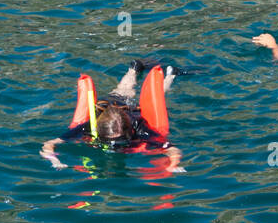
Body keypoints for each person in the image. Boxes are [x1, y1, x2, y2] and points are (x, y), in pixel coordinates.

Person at [40, 61, 182, 172]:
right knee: (124, 90)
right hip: (112, 101)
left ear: (128, 134)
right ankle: (134, 69)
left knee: (156, 97)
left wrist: (173, 165)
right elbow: (49, 144)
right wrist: (54, 160)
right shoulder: (89, 127)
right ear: (99, 133)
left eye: (120, 142)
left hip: (131, 110)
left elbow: (172, 149)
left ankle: (171, 75)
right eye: (108, 142)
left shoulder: (139, 127)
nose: (114, 148)